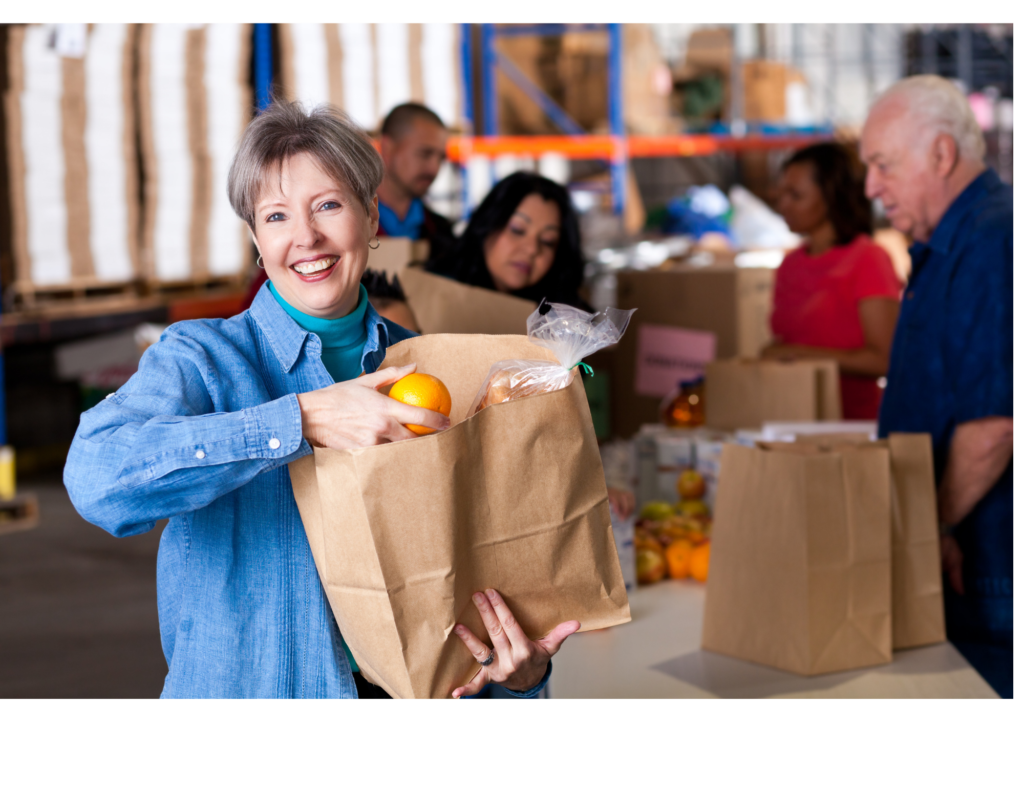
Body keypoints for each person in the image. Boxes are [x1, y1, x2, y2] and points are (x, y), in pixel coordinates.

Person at [63, 102, 578, 700]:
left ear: (371, 215)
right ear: (257, 240)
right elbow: (95, 479)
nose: (305, 238)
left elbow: (483, 570)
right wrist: (300, 420)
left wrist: (521, 677)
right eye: (276, 216)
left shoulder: (436, 370)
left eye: (328, 205)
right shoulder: (201, 358)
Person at [861, 76, 1014, 699]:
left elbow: (996, 426)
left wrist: (934, 529)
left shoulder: (991, 243)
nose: (872, 187)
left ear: (942, 154)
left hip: (989, 573)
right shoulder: (951, 242)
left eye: (883, 165)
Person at [763, 143, 902, 420]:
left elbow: (886, 360)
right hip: (793, 417)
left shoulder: (868, 260)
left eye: (796, 195)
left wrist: (799, 357)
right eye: (781, 194)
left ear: (831, 197)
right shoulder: (790, 264)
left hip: (854, 425)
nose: (783, 205)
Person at [427, 171, 589, 309]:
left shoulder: (564, 321)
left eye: (548, 241)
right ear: (487, 225)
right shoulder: (432, 294)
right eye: (517, 230)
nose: (532, 249)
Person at [376, 102, 455, 260]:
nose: (434, 169)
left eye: (441, 158)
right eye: (425, 154)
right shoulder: (347, 228)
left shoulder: (444, 235)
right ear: (388, 148)